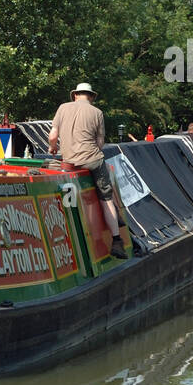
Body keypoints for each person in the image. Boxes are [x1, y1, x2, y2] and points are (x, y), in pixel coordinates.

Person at [49, 82, 127, 259]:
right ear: (91, 97)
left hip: (68, 161)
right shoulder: (97, 113)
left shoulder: (62, 108)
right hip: (93, 160)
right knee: (105, 198)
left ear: (75, 95)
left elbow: (53, 136)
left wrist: (52, 148)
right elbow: (100, 143)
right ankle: (116, 240)